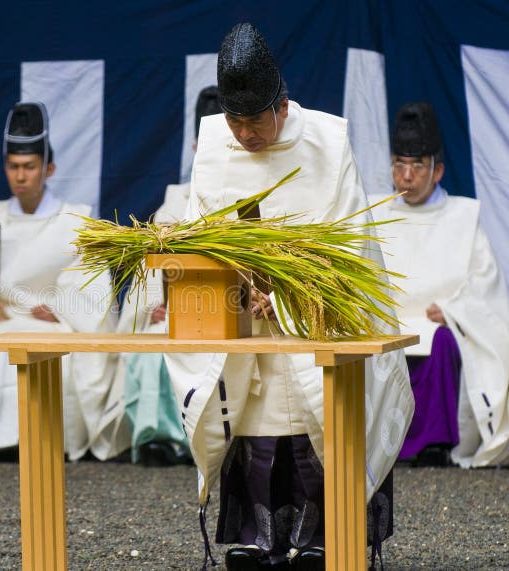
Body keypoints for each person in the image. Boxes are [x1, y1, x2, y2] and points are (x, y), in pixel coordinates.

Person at [162, 23, 414, 570]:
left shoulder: (327, 141)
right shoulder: (215, 143)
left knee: (314, 414)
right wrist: (231, 286)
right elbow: (202, 234)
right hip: (245, 329)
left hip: (310, 319)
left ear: (281, 105)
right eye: (236, 121)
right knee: (253, 413)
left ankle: (325, 535)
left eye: (255, 121)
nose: (245, 135)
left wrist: (287, 294)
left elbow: (351, 247)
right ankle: (257, 536)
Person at [0, 102, 128, 462]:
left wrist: (62, 310)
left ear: (48, 169)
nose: (20, 176)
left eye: (29, 167)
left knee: (54, 350)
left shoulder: (75, 220)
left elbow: (89, 283)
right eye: (13, 167)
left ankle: (49, 438)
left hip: (51, 322)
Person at [371, 102, 509, 468]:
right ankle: (380, 442)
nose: (407, 177)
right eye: (399, 165)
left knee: (445, 341)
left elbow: (487, 285)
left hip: (438, 328)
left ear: (438, 171)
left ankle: (434, 443)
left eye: (417, 167)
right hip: (388, 325)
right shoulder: (373, 213)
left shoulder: (464, 215)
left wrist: (454, 311)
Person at [116, 86, 221, 467]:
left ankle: (208, 440)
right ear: (194, 148)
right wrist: (154, 306)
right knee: (151, 342)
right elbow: (153, 271)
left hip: (223, 315)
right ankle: (159, 437)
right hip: (175, 316)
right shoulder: (175, 202)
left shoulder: (243, 197)